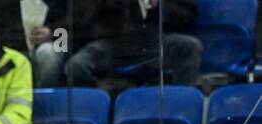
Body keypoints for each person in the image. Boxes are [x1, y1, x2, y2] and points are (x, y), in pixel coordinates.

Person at [65, 0, 201, 90]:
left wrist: (159, 5)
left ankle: (179, 104)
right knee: (76, 66)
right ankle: (102, 102)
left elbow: (188, 15)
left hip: (152, 41)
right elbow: (84, 20)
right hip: (112, 43)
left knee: (190, 47)